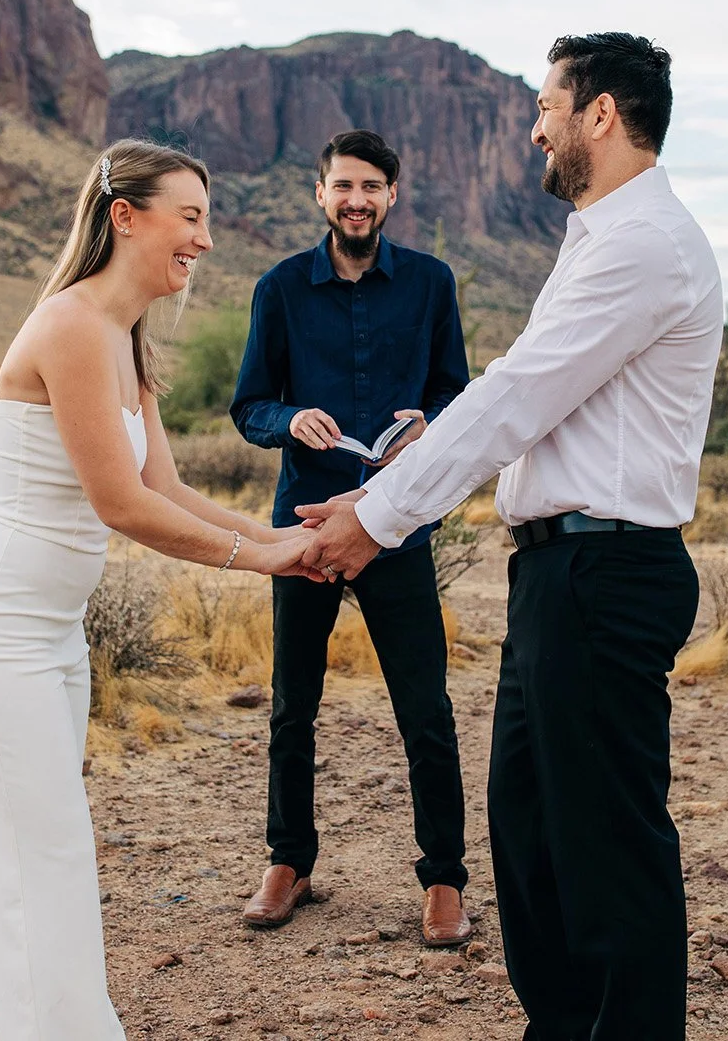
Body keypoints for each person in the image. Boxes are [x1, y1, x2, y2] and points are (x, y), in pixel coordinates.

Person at [298, 35, 723, 1039]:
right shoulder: (604, 239)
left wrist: (375, 517)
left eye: (545, 105)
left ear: (601, 114)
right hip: (561, 573)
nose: (532, 126)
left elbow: (520, 396)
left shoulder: (640, 244)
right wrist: (417, 447)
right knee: (532, 836)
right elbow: (527, 389)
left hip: (604, 572)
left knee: (606, 845)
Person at [0, 139, 315, 1041]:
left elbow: (169, 489)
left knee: (47, 856)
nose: (205, 241)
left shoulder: (122, 340)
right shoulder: (69, 325)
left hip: (52, 635)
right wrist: (267, 563)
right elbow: (122, 504)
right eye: (190, 217)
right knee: (35, 854)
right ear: (125, 215)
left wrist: (290, 537)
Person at [229, 129, 476, 945]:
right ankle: (289, 860)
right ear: (320, 194)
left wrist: (426, 422)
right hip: (305, 523)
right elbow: (249, 404)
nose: (357, 200)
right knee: (293, 703)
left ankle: (443, 877)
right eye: (343, 186)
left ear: (392, 195)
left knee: (426, 709)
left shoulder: (432, 284)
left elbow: (454, 390)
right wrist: (287, 418)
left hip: (396, 523)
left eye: (371, 186)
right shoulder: (280, 289)